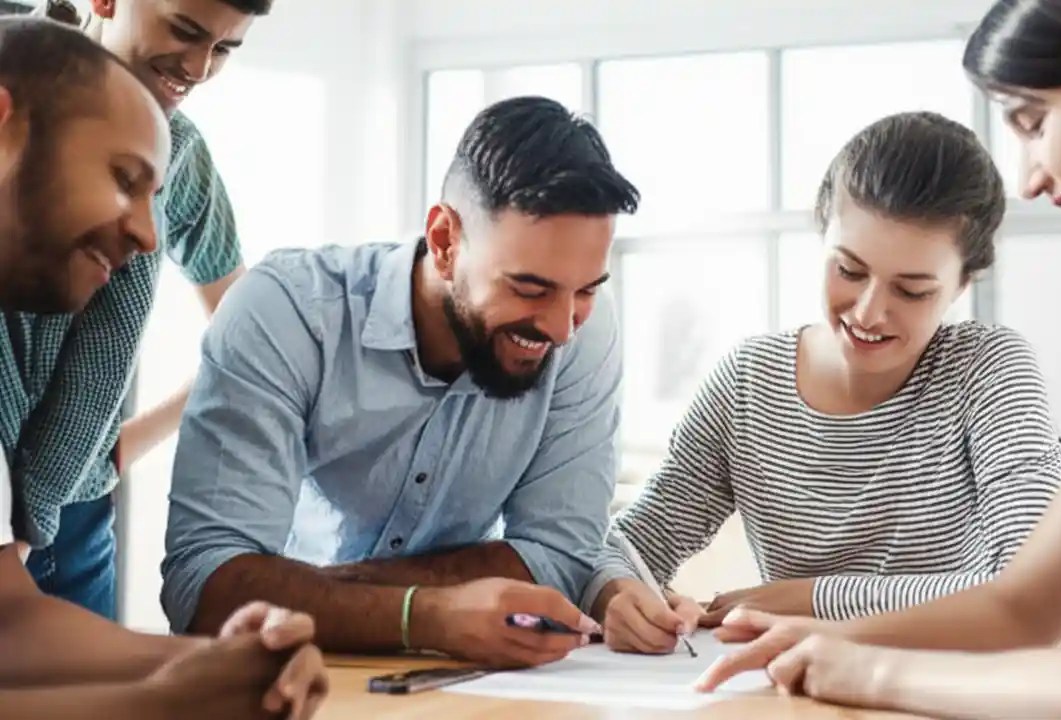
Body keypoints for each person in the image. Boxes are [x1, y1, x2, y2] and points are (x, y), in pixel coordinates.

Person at [697, 1, 1061, 717]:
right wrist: (806, 644)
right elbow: (1024, 608)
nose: (1028, 178)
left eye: (1034, 123)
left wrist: (865, 670)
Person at [587, 111, 1061, 655]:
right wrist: (619, 595)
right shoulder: (748, 384)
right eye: (850, 271)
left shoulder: (985, 369)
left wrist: (807, 598)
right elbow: (624, 545)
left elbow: (1044, 595)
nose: (869, 312)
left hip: (956, 692)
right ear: (822, 234)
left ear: (961, 285)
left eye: (912, 291)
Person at [162, 96, 641, 669]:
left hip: (463, 685)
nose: (563, 329)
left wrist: (312, 592)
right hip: (290, 670)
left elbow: (561, 554)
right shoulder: (285, 312)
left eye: (587, 289)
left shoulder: (586, 332)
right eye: (530, 289)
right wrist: (428, 614)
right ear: (444, 242)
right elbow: (205, 585)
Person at [0, 16, 326, 719]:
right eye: (123, 179)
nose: (150, 235)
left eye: (227, 48)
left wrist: (217, 662)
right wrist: (159, 702)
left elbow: (6, 619)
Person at [8, 0, 268, 619]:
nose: (201, 67)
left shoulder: (178, 152)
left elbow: (247, 334)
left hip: (68, 522)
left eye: (226, 49)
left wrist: (121, 444)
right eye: (185, 30)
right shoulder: (16, 61)